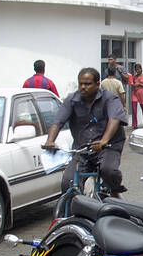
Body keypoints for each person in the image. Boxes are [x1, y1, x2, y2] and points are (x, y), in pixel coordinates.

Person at [42, 67, 128, 197]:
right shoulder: (72, 100)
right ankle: (71, 213)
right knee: (68, 181)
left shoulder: (109, 99)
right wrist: (50, 140)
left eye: (87, 84)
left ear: (97, 84)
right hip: (83, 149)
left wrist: (104, 141)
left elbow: (114, 119)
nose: (83, 87)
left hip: (108, 147)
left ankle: (115, 192)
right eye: (80, 83)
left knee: (108, 171)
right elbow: (58, 121)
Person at [128, 63, 143, 128]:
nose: (137, 71)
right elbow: (132, 84)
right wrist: (133, 85)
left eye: (138, 69)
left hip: (142, 94)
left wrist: (140, 84)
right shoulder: (134, 77)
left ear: (141, 69)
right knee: (134, 108)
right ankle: (134, 124)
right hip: (135, 93)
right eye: (136, 70)